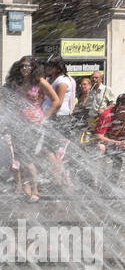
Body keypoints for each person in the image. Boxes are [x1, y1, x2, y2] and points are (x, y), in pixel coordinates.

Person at [4, 56, 51, 202]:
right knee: (20, 158)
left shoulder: (39, 82)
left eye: (28, 66)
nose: (25, 68)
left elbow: (56, 100)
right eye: (23, 66)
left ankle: (34, 190)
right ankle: (26, 188)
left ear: (34, 68)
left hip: (33, 124)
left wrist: (44, 118)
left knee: (29, 157)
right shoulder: (18, 82)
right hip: (18, 124)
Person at [42, 54, 76, 189]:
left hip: (58, 118)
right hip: (55, 118)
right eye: (46, 65)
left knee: (50, 150)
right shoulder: (52, 79)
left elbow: (58, 103)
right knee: (53, 151)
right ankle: (56, 180)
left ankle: (57, 181)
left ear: (57, 67)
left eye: (49, 65)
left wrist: (46, 118)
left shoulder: (62, 81)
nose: (47, 68)